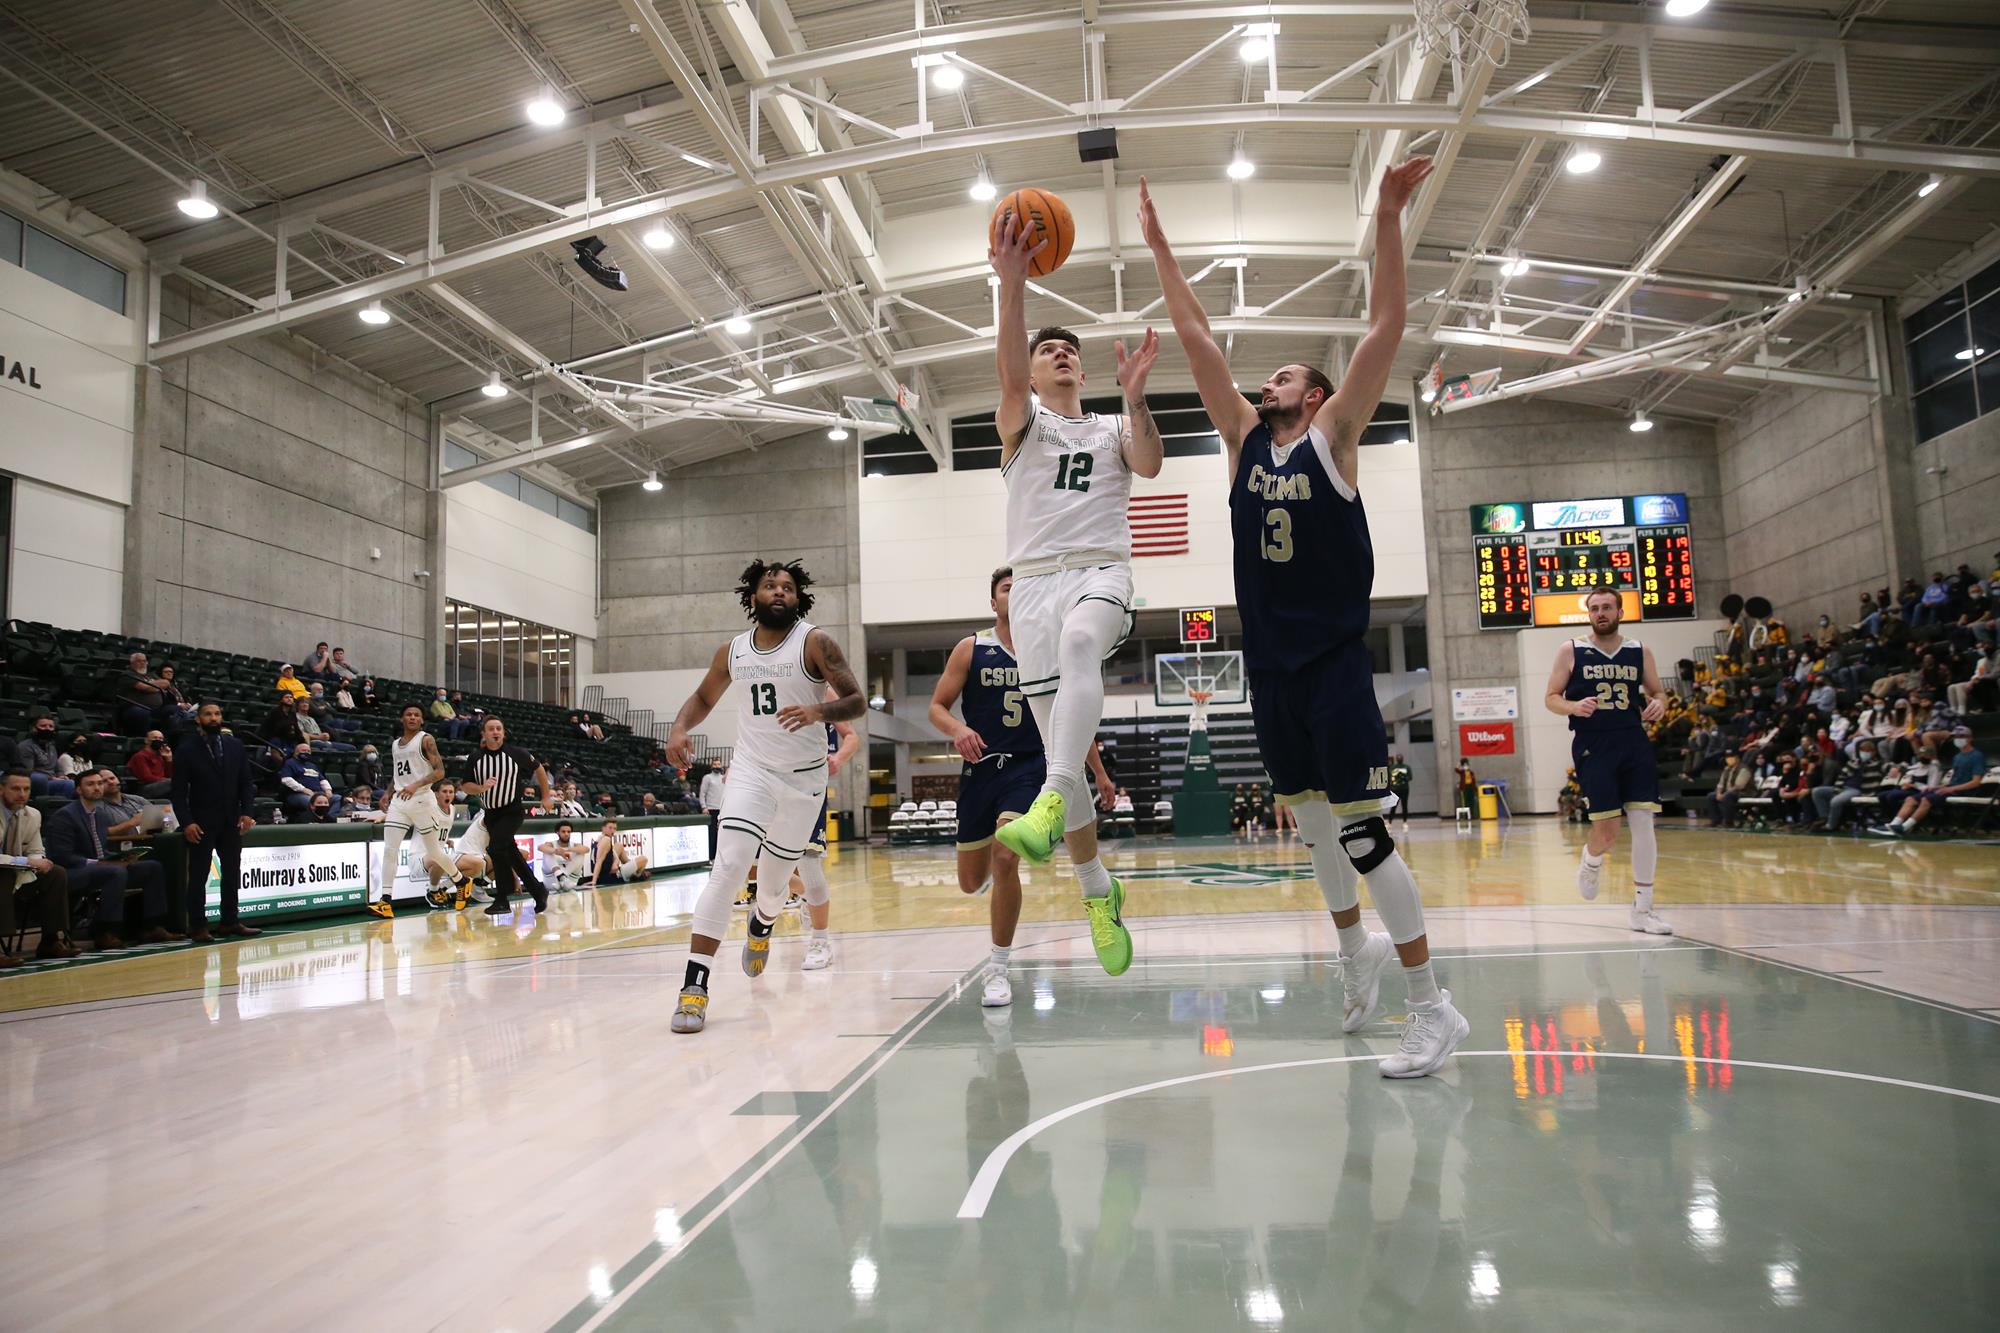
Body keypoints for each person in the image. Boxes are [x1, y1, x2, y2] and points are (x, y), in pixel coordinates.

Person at [1142, 156, 1466, 1078]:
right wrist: (1162, 248)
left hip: (1330, 663)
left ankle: (1434, 1007)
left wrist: (1389, 217)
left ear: (1315, 396)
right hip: (1269, 668)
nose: (1267, 381)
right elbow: (1195, 332)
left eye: (1284, 374)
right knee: (1315, 828)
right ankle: (1353, 953)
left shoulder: (1332, 440)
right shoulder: (1244, 445)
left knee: (1362, 833)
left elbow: (1388, 325)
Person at [984, 207, 1163, 979]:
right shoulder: (1021, 424)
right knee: (1062, 734)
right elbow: (1006, 362)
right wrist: (1012, 285)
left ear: (1082, 370)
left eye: (1068, 351)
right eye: (1046, 350)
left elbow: (1150, 464)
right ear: (1032, 369)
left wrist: (1138, 397)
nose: (1059, 355)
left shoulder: (1109, 430)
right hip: (1032, 587)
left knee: (1087, 644)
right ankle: (1097, 887)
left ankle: (1051, 798)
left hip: (1099, 571)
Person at [662, 559, 866, 1035]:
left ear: (799, 598)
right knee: (729, 866)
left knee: (773, 888)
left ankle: (762, 923)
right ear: (752, 596)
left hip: (803, 781)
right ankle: (695, 986)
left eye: (788, 587)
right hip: (751, 772)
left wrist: (819, 710)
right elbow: (704, 699)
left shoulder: (815, 643)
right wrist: (678, 726)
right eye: (770, 585)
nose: (779, 591)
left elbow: (855, 699)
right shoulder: (732, 651)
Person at [929, 566, 1116, 1007]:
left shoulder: (1051, 649)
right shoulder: (971, 649)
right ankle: (1000, 888)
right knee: (971, 882)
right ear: (993, 602)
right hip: (982, 772)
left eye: (1020, 588)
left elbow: (1076, 718)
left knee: (1004, 855)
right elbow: (937, 706)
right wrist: (957, 729)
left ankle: (998, 968)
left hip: (1034, 768)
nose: (1014, 594)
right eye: (1006, 589)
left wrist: (1101, 773)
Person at [1544, 588, 1673, 934]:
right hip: (1594, 744)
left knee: (1644, 821)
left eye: (1606, 607)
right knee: (1608, 830)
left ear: (1619, 611)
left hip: (1634, 740)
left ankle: (1643, 910)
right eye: (1594, 608)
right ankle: (1591, 859)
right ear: (1589, 615)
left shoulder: (1638, 651)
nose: (1600, 613)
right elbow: (1551, 698)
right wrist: (1572, 706)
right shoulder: (1571, 650)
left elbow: (1657, 691)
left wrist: (1660, 702)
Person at [44, 769, 179, 951]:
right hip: (72, 871)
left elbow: (101, 849)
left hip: (101, 867)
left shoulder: (101, 815)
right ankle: (106, 931)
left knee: (151, 868)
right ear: (78, 790)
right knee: (114, 872)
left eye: (99, 783)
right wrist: (101, 863)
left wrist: (123, 857)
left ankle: (153, 926)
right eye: (90, 784)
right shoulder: (65, 816)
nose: (97, 788)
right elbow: (62, 856)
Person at [371, 704, 473, 917]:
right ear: (402, 718)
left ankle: (461, 881)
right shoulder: (395, 745)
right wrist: (388, 792)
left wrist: (415, 785)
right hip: (400, 799)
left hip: (422, 799)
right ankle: (385, 901)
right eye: (408, 714)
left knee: (434, 851)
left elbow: (440, 771)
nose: (412, 717)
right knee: (390, 849)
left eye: (417, 715)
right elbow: (399, 773)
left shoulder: (426, 740)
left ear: (421, 720)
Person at [170, 701, 261, 941]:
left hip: (231, 820)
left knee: (232, 873)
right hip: (201, 821)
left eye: (217, 714)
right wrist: (187, 821)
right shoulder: (186, 749)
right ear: (198, 719)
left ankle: (230, 921)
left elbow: (246, 783)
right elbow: (178, 793)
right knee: (199, 875)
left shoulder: (235, 745)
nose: (213, 718)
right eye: (208, 714)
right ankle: (198, 926)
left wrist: (248, 812)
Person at [789, 684, 863, 972]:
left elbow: (851, 736)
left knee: (807, 861)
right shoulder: (767, 681)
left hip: (809, 786)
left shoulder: (823, 692)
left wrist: (839, 758)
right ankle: (807, 896)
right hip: (768, 783)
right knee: (765, 875)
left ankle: (820, 941)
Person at [458, 714, 555, 916]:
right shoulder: (475, 758)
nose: (495, 732)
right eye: (491, 729)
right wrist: (481, 787)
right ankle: (538, 890)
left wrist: (546, 796)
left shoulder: (516, 753)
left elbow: (539, 769)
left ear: (503, 733)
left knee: (495, 848)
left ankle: (502, 898)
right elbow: (466, 786)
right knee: (512, 855)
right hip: (490, 814)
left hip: (511, 811)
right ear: (484, 733)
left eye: (499, 729)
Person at [0, 768, 84, 962]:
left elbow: (35, 850)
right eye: (16, 789)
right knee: (3, 873)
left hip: (17, 873)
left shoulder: (34, 814)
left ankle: (50, 941)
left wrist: (39, 861)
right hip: (5, 873)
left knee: (56, 873)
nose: (22, 794)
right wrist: (24, 861)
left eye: (26, 789)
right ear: (1, 789)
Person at [1872, 725, 1987, 836]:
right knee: (1910, 799)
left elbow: (1976, 782)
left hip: (1964, 790)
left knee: (1926, 799)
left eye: (1961, 736)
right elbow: (1955, 780)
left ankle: (1905, 827)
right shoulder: (1957, 757)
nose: (1958, 739)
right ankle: (1894, 824)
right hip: (1952, 788)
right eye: (1956, 737)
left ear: (1970, 738)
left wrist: (1951, 788)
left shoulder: (1976, 756)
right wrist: (1939, 787)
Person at [13, 715, 76, 798]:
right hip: (37, 782)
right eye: (43, 726)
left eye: (51, 726)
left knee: (70, 782)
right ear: (34, 728)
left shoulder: (51, 746)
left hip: (53, 780)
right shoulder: (26, 746)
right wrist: (51, 778)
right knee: (40, 779)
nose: (47, 729)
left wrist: (61, 775)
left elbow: (57, 768)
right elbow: (27, 772)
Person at [586, 818, 649, 885]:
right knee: (644, 859)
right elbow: (599, 861)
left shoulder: (599, 839)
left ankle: (634, 872)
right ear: (603, 828)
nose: (612, 831)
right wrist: (594, 881)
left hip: (608, 872)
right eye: (610, 828)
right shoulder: (606, 840)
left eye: (614, 828)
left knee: (619, 845)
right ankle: (637, 875)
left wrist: (615, 862)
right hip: (613, 876)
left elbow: (614, 855)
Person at [539, 821, 590, 892]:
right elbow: (540, 847)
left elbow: (586, 849)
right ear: (557, 832)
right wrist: (557, 851)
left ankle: (563, 878)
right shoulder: (551, 844)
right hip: (552, 880)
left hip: (570, 880)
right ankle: (560, 876)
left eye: (568, 832)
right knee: (547, 852)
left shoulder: (574, 845)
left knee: (581, 853)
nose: (566, 834)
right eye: (563, 831)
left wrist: (566, 850)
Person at [127, 730, 174, 798]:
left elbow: (169, 775)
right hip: (145, 788)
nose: (158, 740)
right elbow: (147, 777)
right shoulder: (140, 756)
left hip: (162, 785)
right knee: (174, 782)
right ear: (146, 741)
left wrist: (168, 759)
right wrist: (166, 780)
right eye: (155, 738)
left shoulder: (161, 756)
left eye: (160, 738)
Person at [699, 763, 727, 860]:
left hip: (722, 810)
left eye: (719, 764)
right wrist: (703, 806)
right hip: (711, 809)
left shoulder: (724, 778)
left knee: (721, 835)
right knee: (711, 835)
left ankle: (717, 858)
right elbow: (702, 793)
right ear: (712, 766)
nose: (717, 766)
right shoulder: (707, 778)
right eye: (715, 764)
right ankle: (710, 857)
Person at [1387, 754, 1413, 831]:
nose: (1399, 759)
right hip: (1395, 790)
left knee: (1404, 806)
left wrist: (1403, 777)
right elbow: (1389, 778)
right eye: (1398, 758)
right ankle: (1389, 822)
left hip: (1404, 789)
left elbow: (1410, 777)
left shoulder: (1406, 767)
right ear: (1396, 759)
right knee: (1393, 806)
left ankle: (1405, 822)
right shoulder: (1392, 767)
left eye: (1400, 758)